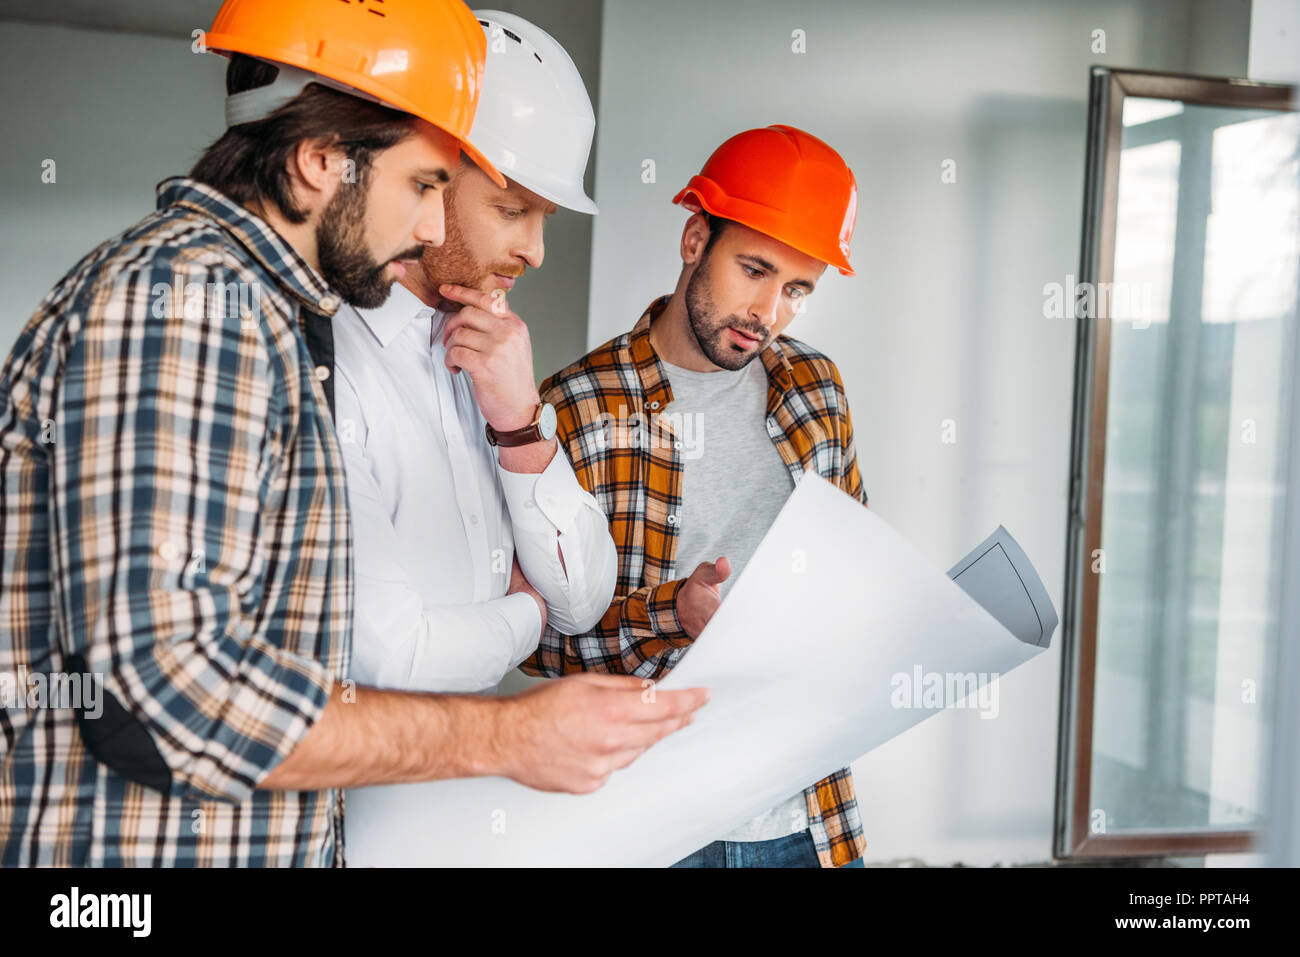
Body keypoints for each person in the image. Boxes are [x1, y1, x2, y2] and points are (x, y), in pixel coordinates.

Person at [0, 0, 706, 868]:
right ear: (320, 162)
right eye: (423, 185)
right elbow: (158, 699)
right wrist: (510, 733)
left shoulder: (265, 319)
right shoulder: (189, 306)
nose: (427, 228)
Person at [523, 125, 868, 868]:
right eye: (753, 269)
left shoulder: (815, 388)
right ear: (694, 239)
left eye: (796, 289)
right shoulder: (576, 407)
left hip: (804, 812)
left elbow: (856, 570)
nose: (767, 312)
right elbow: (540, 645)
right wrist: (669, 614)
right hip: (648, 822)